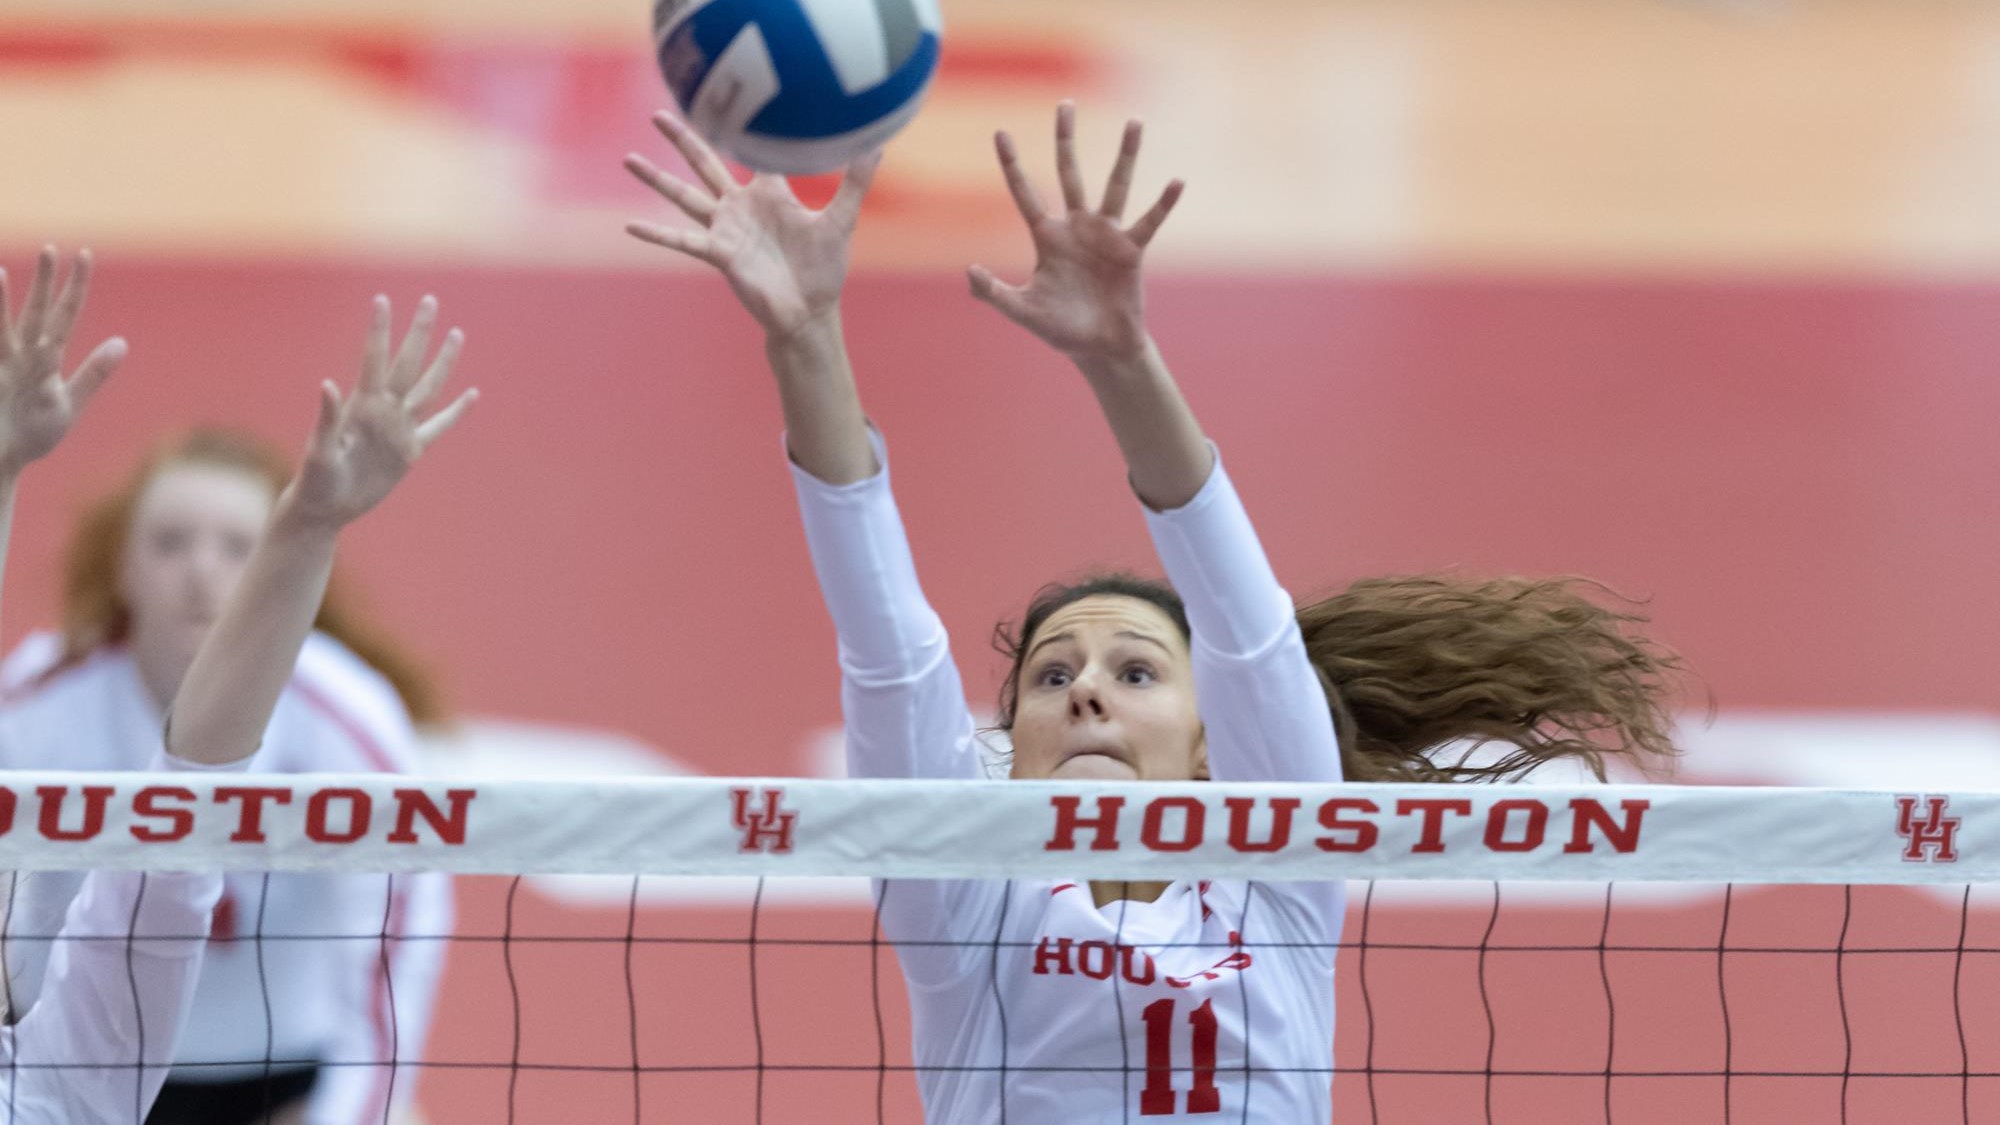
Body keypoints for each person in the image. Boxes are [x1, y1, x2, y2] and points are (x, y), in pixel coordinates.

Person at [626, 105, 1681, 1121]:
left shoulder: (1277, 864)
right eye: (1051, 677)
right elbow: (888, 649)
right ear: (1008, 752)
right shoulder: (965, 897)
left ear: (1210, 743)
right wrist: (805, 336)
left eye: (1133, 673)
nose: (1083, 688)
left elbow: (1247, 631)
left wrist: (1119, 357)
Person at [0, 252, 475, 1124]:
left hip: (283, 1081)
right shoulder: (39, 704)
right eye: (172, 541)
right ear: (123, 564)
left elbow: (394, 965)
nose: (201, 573)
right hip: (75, 1063)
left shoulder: (350, 723)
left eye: (235, 545)